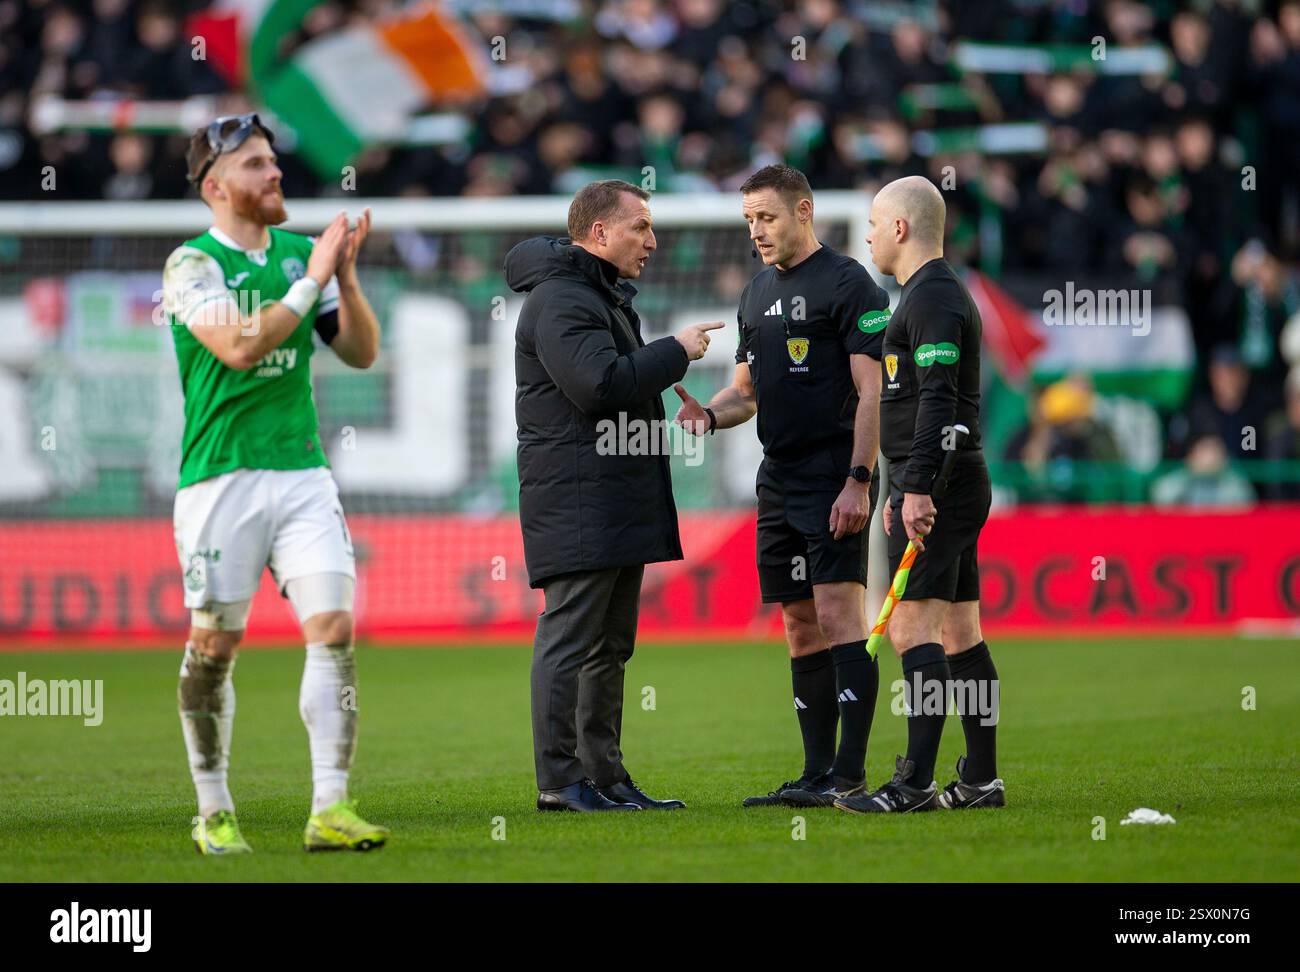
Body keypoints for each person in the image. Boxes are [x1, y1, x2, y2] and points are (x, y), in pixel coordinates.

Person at [162, 114, 388, 853]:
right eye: (256, 164)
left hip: (301, 473)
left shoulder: (299, 255)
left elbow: (360, 352)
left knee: (334, 629)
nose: (275, 173)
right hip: (219, 479)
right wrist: (316, 276)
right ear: (215, 186)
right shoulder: (191, 265)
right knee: (214, 645)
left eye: (273, 160)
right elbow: (238, 346)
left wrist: (342, 276)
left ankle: (330, 806)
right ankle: (213, 809)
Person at [674, 164, 887, 808]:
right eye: (749, 221)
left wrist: (858, 479)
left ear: (803, 210)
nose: (756, 232)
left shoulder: (850, 284)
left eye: (766, 217)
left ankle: (850, 776)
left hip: (834, 474)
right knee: (798, 622)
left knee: (838, 614)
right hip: (778, 478)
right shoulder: (754, 293)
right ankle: (816, 774)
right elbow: (746, 395)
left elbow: (872, 392)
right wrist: (710, 416)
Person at [506, 180, 721, 812]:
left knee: (609, 646)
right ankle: (560, 781)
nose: (652, 242)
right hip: (579, 499)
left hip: (612, 496)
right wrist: (675, 352)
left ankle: (604, 776)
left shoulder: (598, 295)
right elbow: (598, 386)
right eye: (641, 227)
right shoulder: (562, 298)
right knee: (571, 637)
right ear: (599, 233)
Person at [836, 175, 1005, 814]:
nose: (869, 236)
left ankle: (913, 783)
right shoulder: (927, 295)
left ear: (900, 228)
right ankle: (981, 779)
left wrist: (918, 487)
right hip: (946, 478)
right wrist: (901, 484)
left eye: (874, 225)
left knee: (911, 628)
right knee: (960, 629)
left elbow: (938, 399)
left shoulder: (932, 297)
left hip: (944, 482)